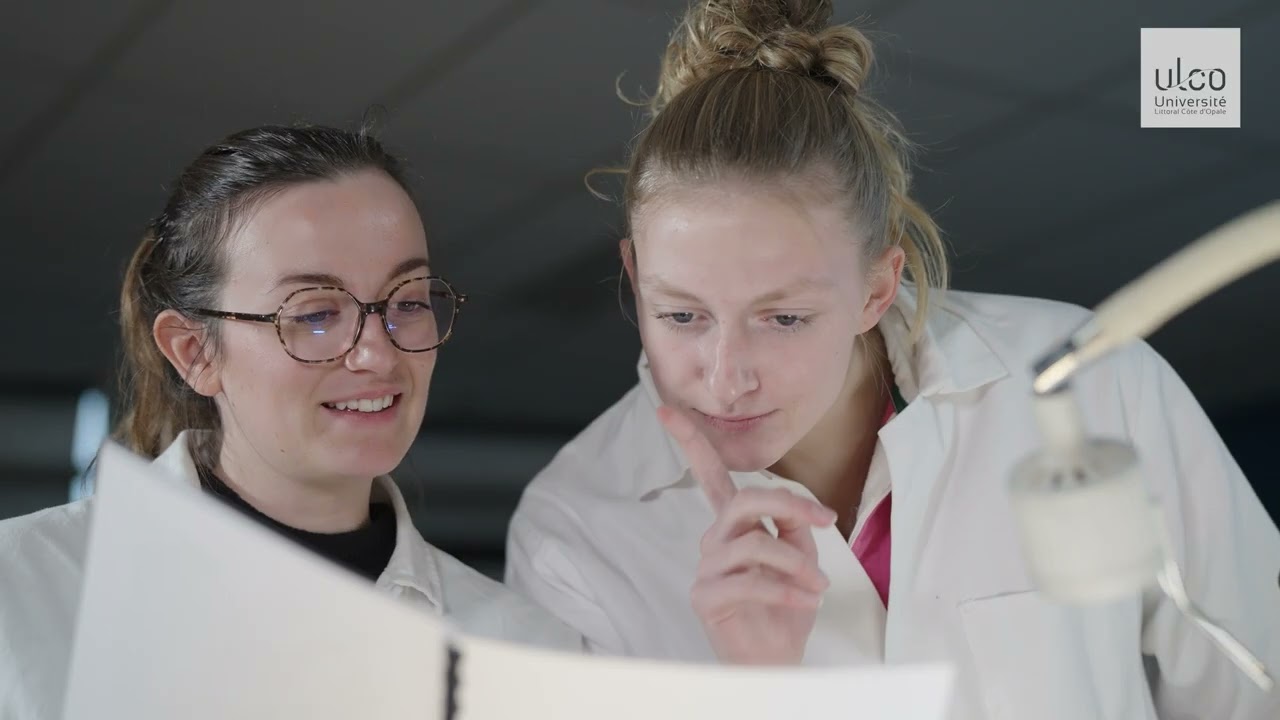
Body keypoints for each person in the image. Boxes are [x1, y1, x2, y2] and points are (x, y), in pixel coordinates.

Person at [503, 1, 1280, 718]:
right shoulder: (574, 531)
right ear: (635, 276)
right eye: (680, 315)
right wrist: (753, 696)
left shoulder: (1096, 386)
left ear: (878, 286)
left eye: (783, 317)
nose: (725, 376)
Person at [0, 123, 582, 719]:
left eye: (407, 302)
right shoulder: (23, 589)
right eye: (315, 313)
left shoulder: (523, 652)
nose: (378, 355)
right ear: (195, 353)